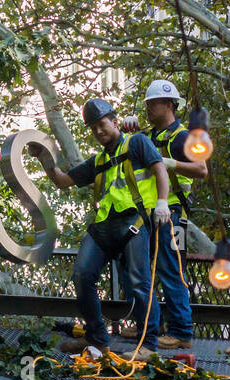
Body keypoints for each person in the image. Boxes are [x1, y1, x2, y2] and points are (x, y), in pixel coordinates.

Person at [30, 99, 172, 356]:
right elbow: (62, 181)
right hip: (103, 227)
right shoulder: (97, 161)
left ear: (114, 122)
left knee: (140, 282)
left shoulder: (137, 143)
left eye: (102, 124)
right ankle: (96, 338)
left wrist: (162, 202)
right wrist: (44, 159)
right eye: (93, 128)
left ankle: (148, 346)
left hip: (134, 222)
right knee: (83, 275)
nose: (98, 131)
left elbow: (160, 170)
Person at [141, 78, 207, 350]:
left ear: (168, 104)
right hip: (153, 211)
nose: (148, 108)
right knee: (149, 269)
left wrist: (171, 163)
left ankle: (181, 331)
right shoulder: (151, 136)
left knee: (170, 267)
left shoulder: (182, 138)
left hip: (174, 214)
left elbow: (201, 169)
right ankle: (153, 326)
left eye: (152, 103)